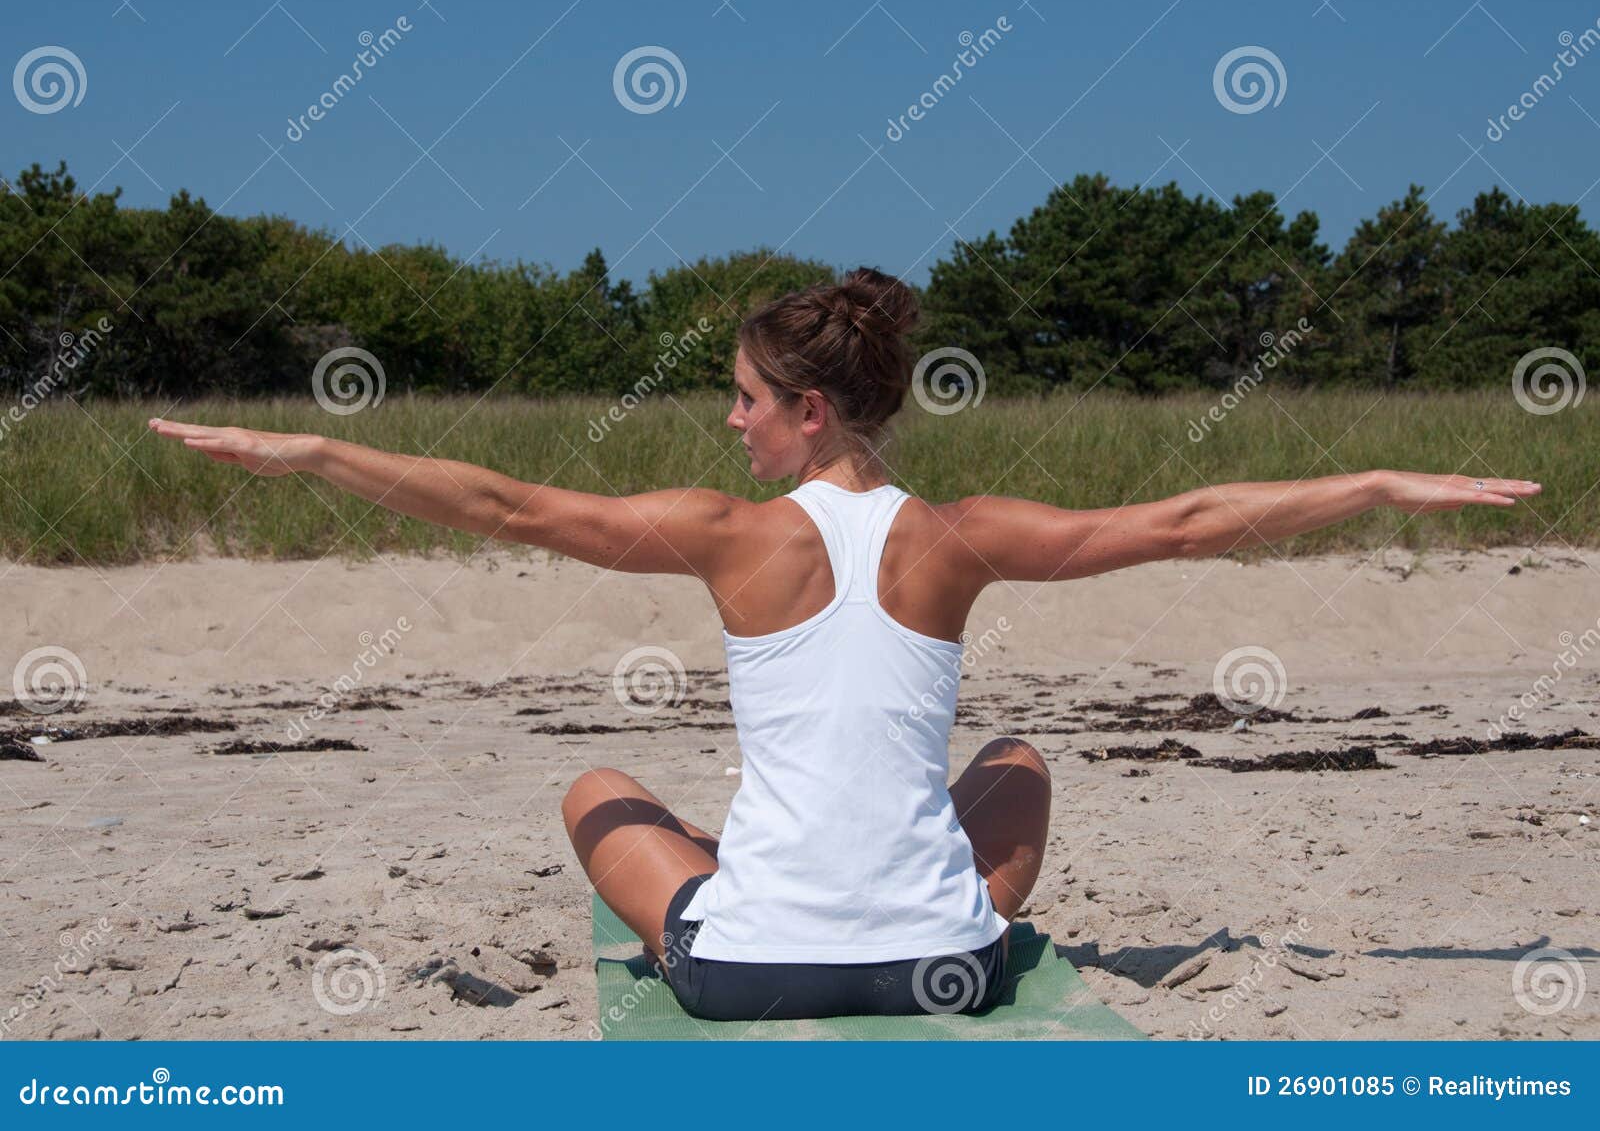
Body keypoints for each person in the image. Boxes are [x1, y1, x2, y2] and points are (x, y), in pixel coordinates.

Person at [151, 266, 1541, 1022]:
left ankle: (756, 887)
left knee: (597, 793)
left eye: (749, 400)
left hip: (743, 977)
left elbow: (510, 504)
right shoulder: (962, 532)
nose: (733, 424)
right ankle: (907, 907)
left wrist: (320, 448)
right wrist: (1372, 482)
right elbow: (1184, 518)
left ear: (812, 409)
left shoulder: (723, 532)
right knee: (1021, 761)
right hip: (947, 968)